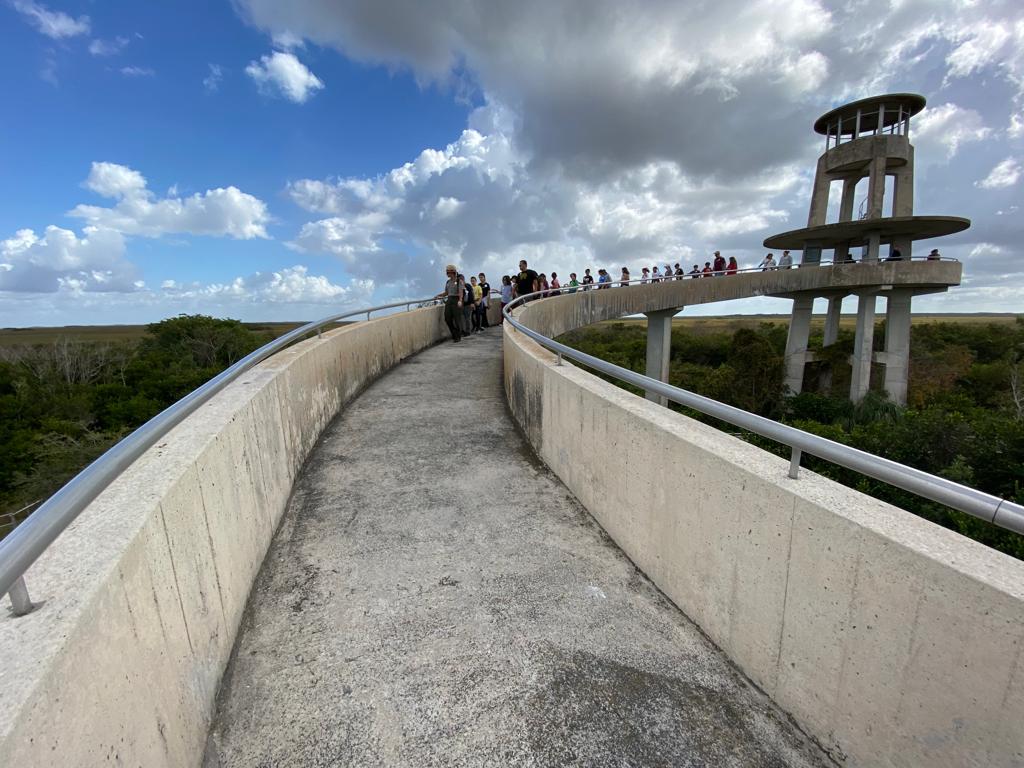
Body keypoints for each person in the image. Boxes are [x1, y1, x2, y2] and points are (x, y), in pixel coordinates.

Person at [436, 265, 463, 342]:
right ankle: (454, 333)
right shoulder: (448, 282)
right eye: (446, 272)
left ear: (453, 272)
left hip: (456, 300)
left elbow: (461, 292)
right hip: (449, 300)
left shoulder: (459, 281)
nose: (447, 273)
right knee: (447, 318)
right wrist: (439, 295)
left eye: (448, 272)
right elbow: (446, 292)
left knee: (457, 320)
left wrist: (460, 300)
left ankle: (458, 336)